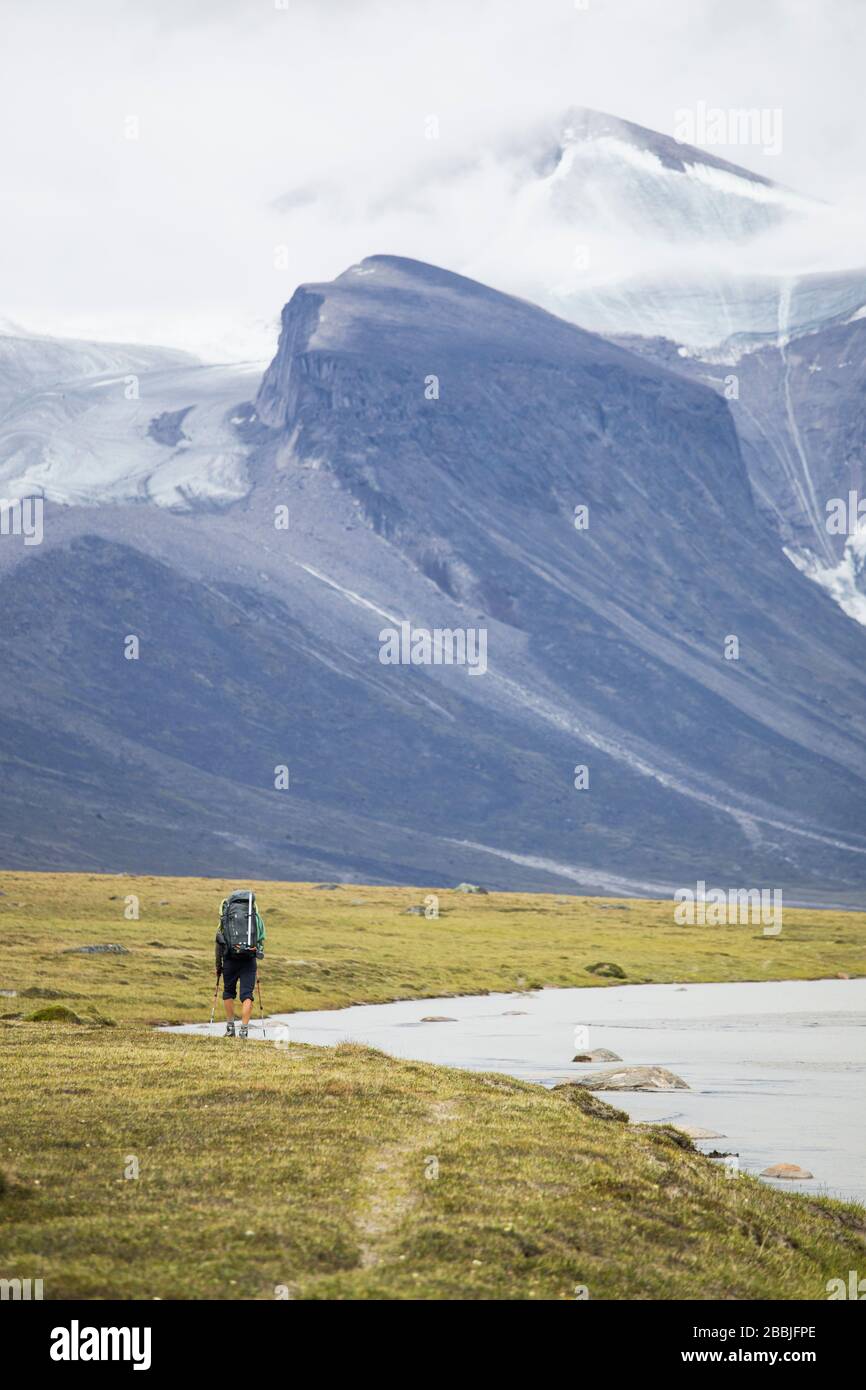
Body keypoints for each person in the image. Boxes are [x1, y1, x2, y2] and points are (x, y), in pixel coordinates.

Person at [215, 890, 265, 1038]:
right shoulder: (255, 917)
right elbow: (261, 939)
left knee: (228, 992)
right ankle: (244, 1030)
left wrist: (218, 965)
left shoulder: (226, 916)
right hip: (249, 960)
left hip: (230, 959)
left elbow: (219, 940)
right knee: (247, 995)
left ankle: (230, 1029)